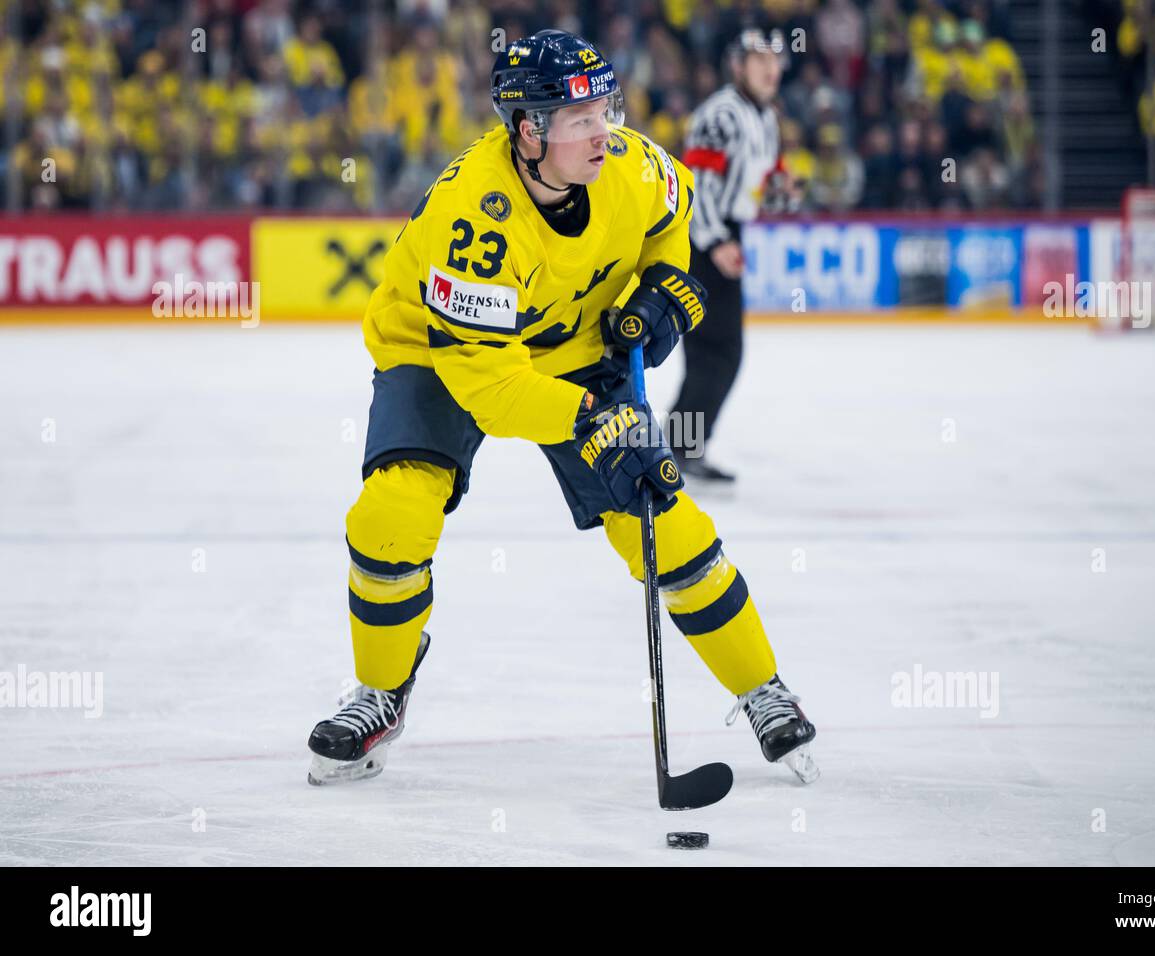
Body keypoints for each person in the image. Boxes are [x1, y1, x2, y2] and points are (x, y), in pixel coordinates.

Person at [306, 30, 818, 788]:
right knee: (392, 514)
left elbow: (670, 221)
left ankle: (762, 687)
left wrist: (663, 291)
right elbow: (491, 386)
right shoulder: (474, 220)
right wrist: (593, 421)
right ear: (528, 131)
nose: (601, 131)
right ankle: (381, 690)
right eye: (578, 119)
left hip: (573, 340)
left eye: (604, 109)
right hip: (442, 350)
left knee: (661, 519)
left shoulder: (631, 162)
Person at [670, 28, 787, 486]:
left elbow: (759, 185)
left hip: (724, 235)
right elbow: (695, 183)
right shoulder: (721, 114)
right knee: (715, 352)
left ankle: (683, 446)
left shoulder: (766, 117)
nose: (770, 69)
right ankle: (679, 447)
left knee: (717, 353)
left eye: (775, 61)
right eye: (759, 60)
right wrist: (716, 240)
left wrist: (783, 192)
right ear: (737, 66)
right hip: (702, 241)